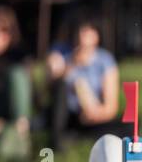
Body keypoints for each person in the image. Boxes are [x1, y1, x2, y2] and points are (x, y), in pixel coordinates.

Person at [45, 13, 121, 150]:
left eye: (86, 31)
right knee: (62, 86)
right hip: (66, 114)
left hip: (92, 115)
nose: (81, 36)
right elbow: (50, 86)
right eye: (79, 31)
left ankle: (78, 137)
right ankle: (59, 139)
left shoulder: (105, 60)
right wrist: (72, 64)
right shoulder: (61, 53)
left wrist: (95, 114)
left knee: (132, 125)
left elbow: (111, 107)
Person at [0, 6, 33, 161]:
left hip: (14, 110)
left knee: (17, 75)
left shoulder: (19, 57)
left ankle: (20, 132)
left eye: (4, 31)